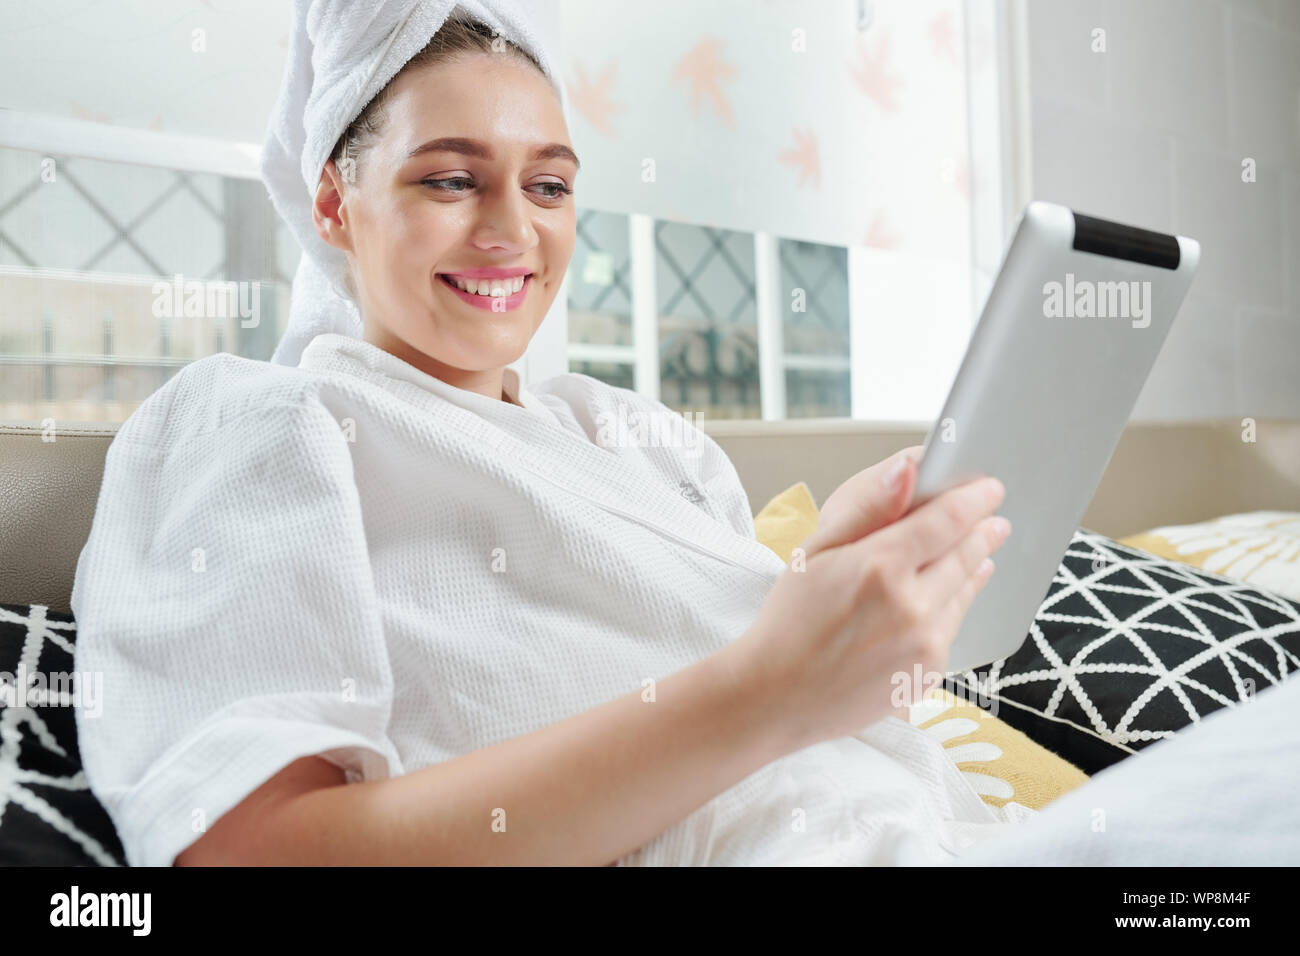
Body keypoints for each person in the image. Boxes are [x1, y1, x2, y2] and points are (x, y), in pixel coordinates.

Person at [70, 11, 1020, 868]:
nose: (512, 230)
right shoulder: (265, 425)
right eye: (451, 178)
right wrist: (767, 687)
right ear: (332, 202)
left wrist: (815, 591)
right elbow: (256, 853)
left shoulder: (647, 444)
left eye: (551, 185)